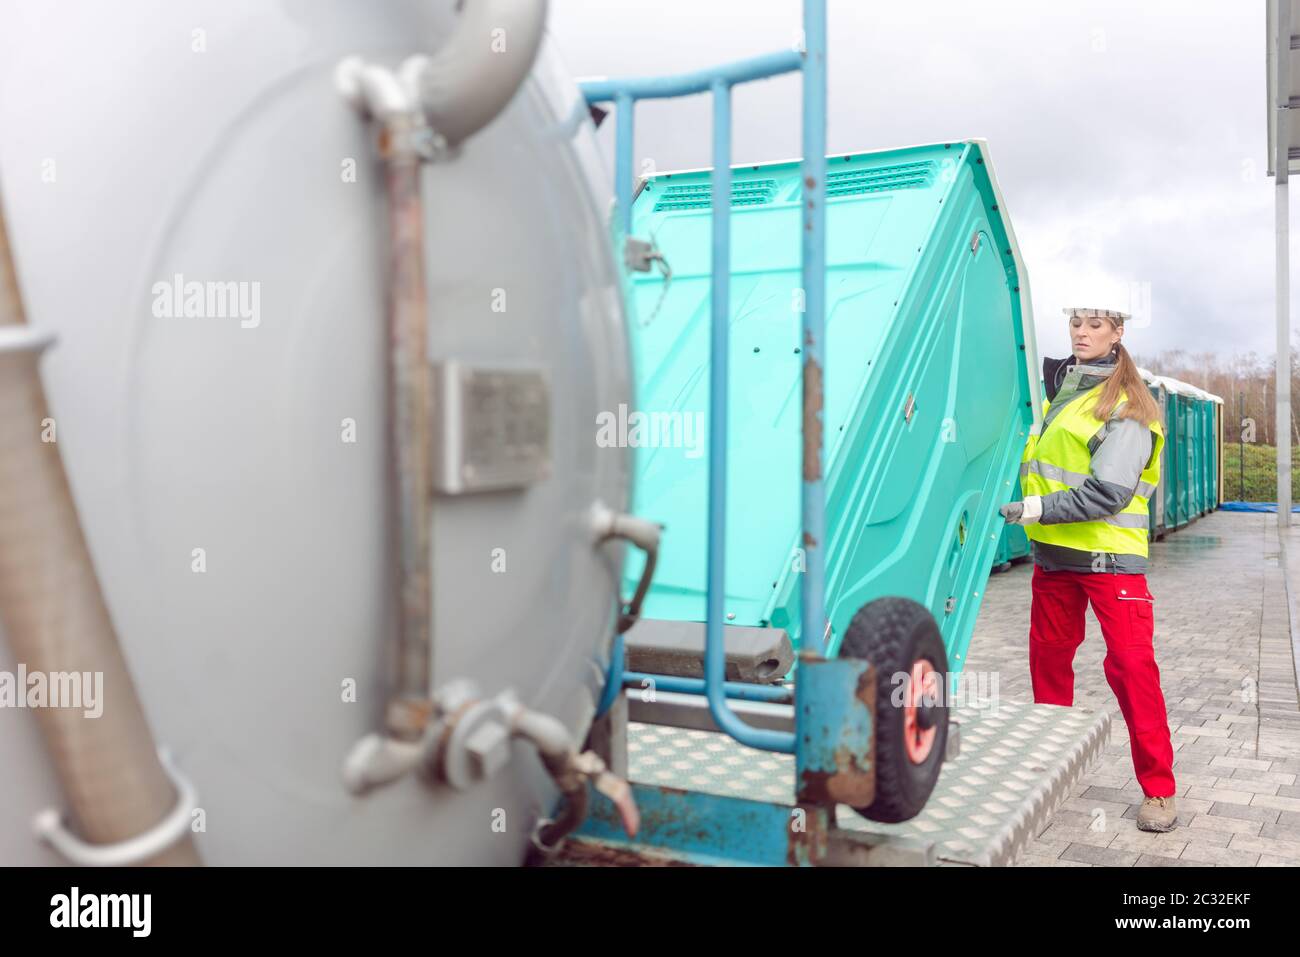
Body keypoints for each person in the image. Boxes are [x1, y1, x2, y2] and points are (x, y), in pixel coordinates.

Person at [999, 307, 1177, 832]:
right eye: (1077, 321)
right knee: (1048, 666)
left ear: (1118, 332)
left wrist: (1036, 510)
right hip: (1054, 559)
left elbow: (1109, 492)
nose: (1081, 332)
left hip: (1110, 564)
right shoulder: (1058, 394)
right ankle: (1050, 770)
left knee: (1131, 670)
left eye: (1096, 324)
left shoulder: (1129, 405)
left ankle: (1160, 790)